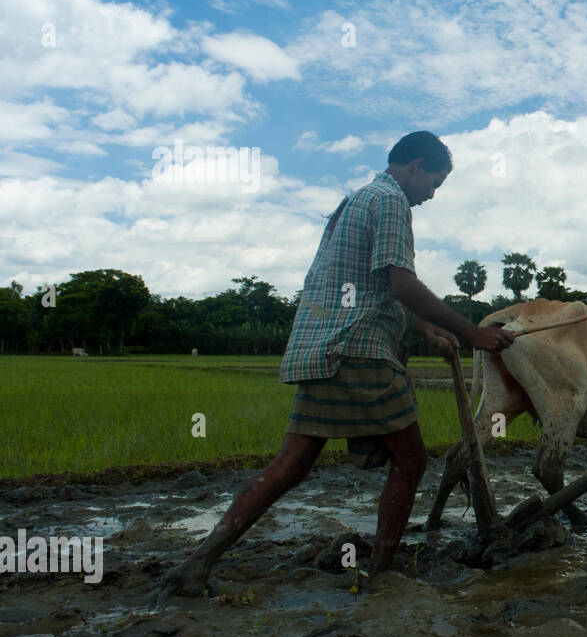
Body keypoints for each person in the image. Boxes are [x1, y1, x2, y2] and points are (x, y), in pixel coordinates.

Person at [163, 131, 513, 596]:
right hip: (359, 350)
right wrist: (472, 333)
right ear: (413, 165)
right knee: (411, 462)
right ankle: (384, 574)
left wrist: (424, 328)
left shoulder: (357, 200)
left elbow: (370, 287)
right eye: (434, 182)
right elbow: (401, 284)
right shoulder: (391, 202)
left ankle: (196, 564)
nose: (431, 195)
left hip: (326, 349)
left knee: (288, 469)